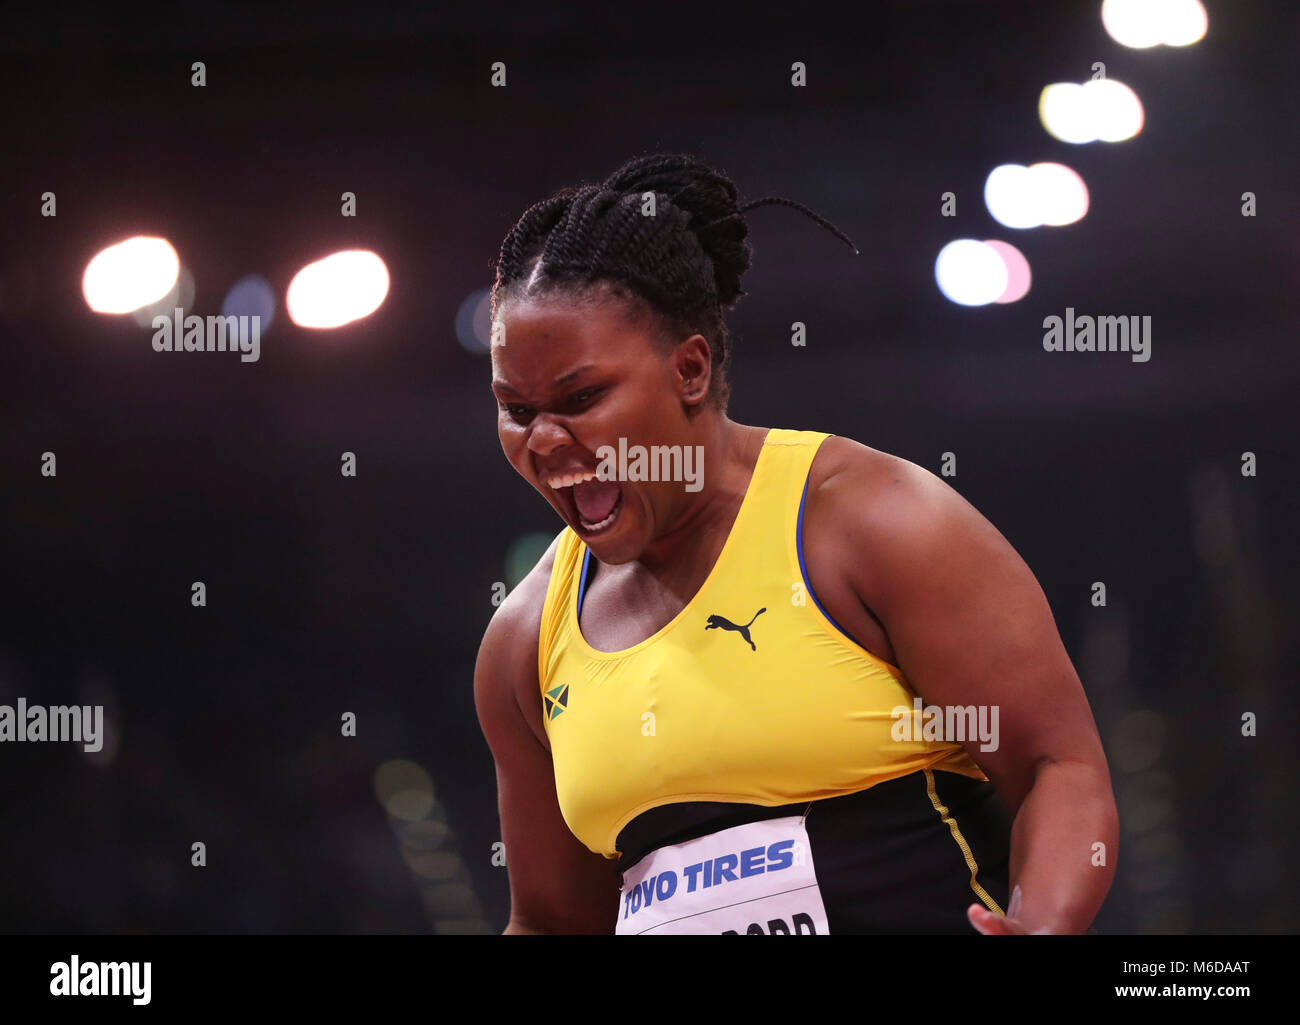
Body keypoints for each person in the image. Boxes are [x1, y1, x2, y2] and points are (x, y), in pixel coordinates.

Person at [474, 152, 1118, 934]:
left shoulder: (870, 520)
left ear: (689, 369)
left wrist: (1044, 926)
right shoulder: (522, 642)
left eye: (580, 397)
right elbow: (547, 919)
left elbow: (1059, 767)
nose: (543, 438)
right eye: (516, 407)